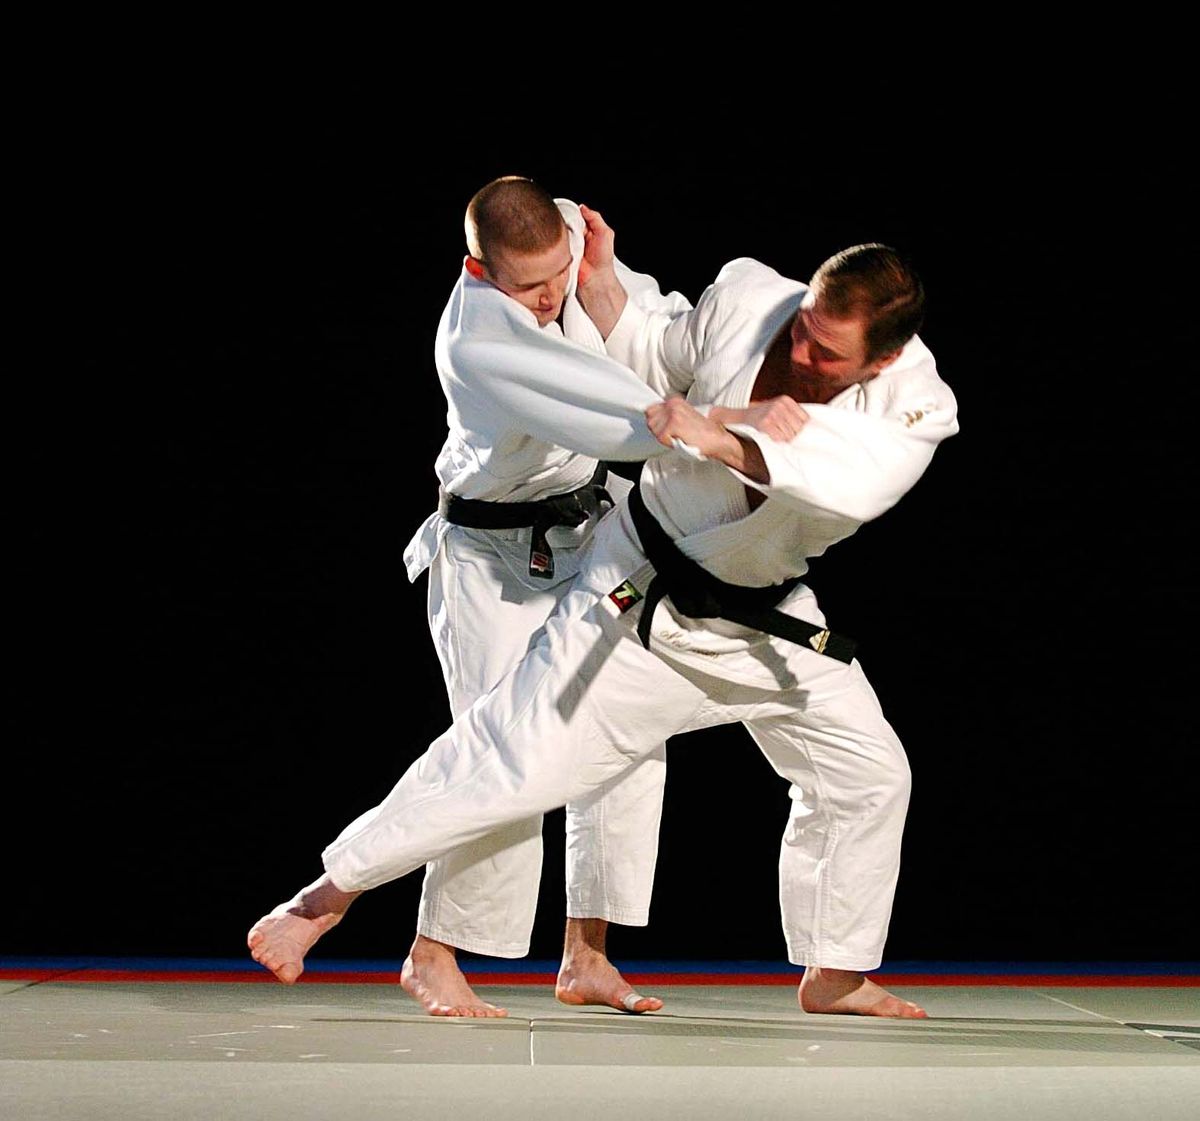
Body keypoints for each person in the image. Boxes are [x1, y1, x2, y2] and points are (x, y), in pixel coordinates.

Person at [249, 209, 958, 1019]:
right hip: (640, 598)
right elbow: (660, 349)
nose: (801, 352)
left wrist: (719, 432)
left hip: (765, 620)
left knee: (869, 773)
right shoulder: (751, 297)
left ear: (883, 358)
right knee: (513, 758)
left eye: (827, 354)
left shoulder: (916, 405)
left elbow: (851, 478)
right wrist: (605, 292)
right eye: (803, 329)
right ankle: (322, 899)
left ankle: (835, 971)